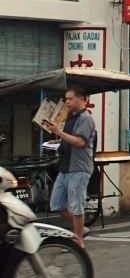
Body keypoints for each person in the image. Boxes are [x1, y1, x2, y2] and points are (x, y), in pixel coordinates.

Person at [44, 86, 96, 248]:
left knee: (76, 205)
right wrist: (57, 135)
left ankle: (79, 241)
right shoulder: (71, 117)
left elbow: (80, 142)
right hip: (65, 166)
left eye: (70, 99)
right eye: (66, 99)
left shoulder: (85, 118)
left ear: (82, 99)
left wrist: (59, 133)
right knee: (57, 204)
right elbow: (68, 139)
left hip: (79, 167)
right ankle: (82, 229)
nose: (67, 102)